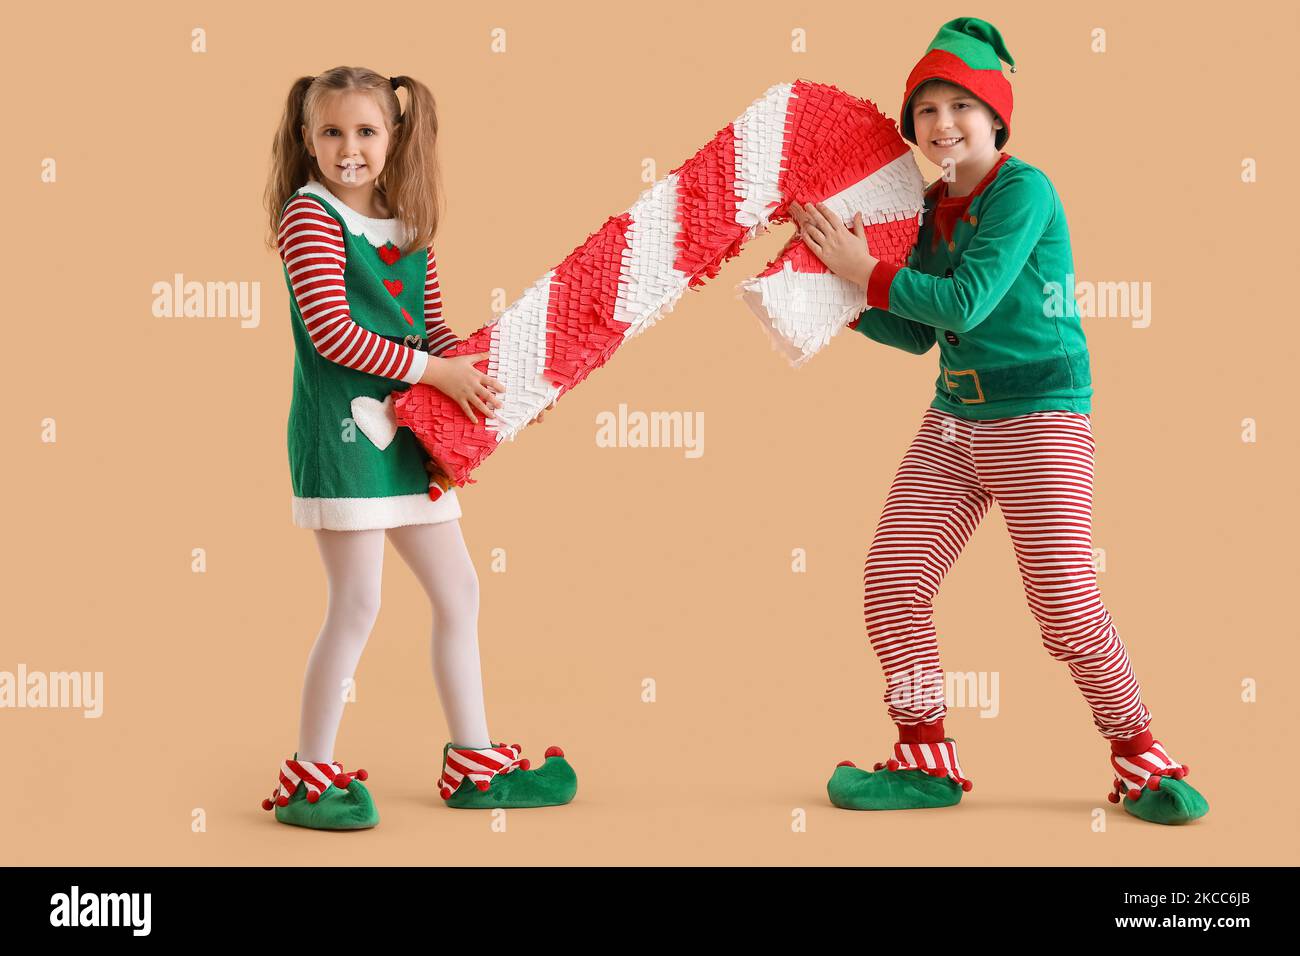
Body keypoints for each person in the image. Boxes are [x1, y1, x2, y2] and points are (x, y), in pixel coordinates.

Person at [790, 18, 1207, 824]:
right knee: (893, 580)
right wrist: (827, 296)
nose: (942, 124)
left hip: (1041, 416)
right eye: (926, 110)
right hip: (955, 420)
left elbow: (964, 302)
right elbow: (918, 331)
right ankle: (924, 759)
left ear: (996, 117)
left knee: (1062, 602)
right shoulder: (932, 205)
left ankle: (1140, 755)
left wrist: (859, 270)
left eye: (960, 106)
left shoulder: (1024, 191)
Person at [259, 66, 575, 829]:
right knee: (357, 603)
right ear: (307, 140)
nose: (349, 148)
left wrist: (490, 384)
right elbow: (334, 334)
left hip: (407, 440)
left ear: (394, 137)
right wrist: (438, 371)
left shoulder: (407, 224)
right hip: (343, 439)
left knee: (459, 590)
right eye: (331, 132)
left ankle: (473, 761)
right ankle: (309, 774)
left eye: (366, 131)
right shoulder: (309, 215)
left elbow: (432, 331)